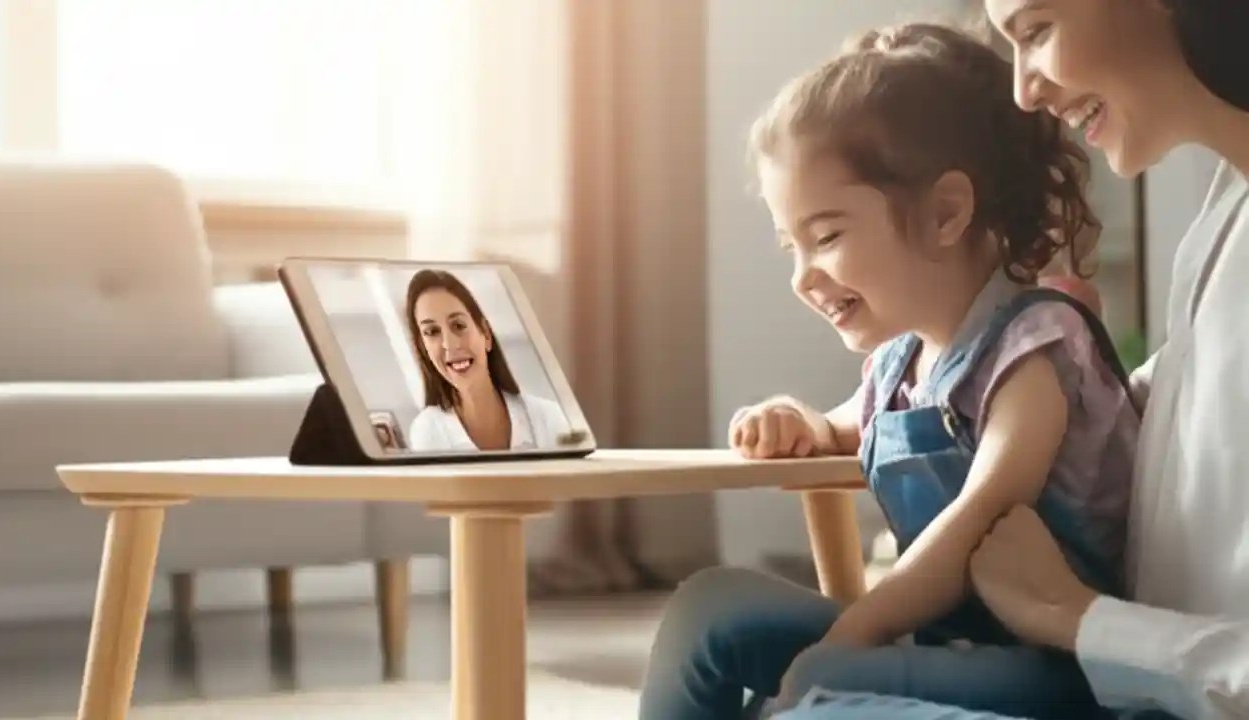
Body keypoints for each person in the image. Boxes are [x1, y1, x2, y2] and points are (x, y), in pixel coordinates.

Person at [657, 1, 1249, 718]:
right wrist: (799, 422)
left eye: (1038, 30)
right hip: (982, 641)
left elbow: (985, 511)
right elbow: (854, 424)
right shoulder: (1216, 224)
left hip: (1072, 669)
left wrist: (858, 635)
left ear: (946, 214)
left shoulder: (1034, 351)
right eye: (794, 246)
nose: (1024, 90)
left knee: (822, 694)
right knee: (713, 609)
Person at [403, 269, 568, 451]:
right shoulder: (428, 430)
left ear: (486, 335)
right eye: (432, 332)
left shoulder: (548, 418)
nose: (449, 345)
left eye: (458, 326)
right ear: (424, 349)